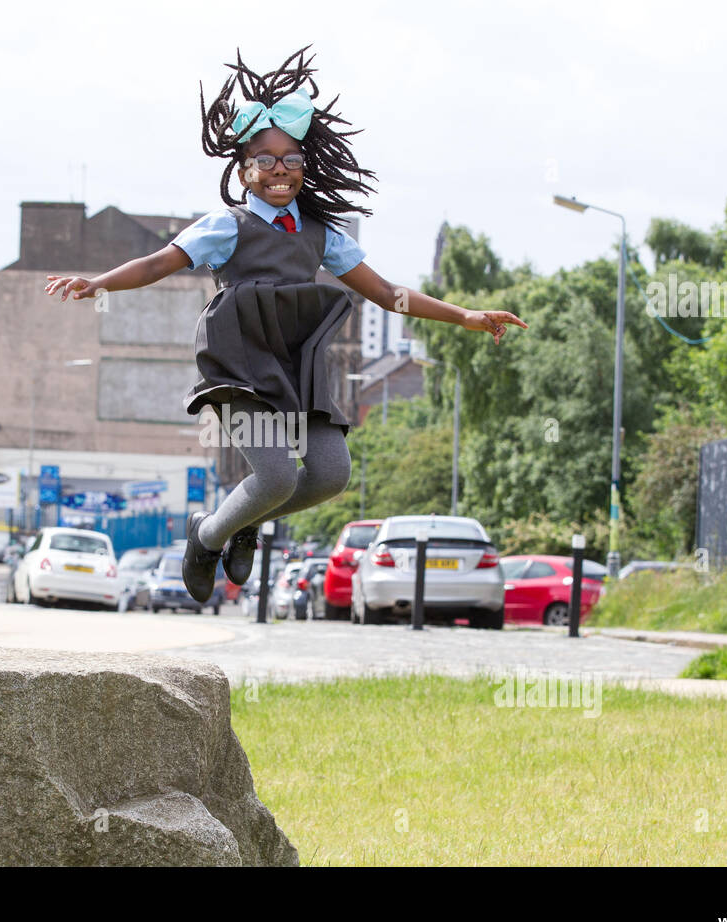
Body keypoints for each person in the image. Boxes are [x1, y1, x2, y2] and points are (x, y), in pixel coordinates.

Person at [44, 47, 526, 604]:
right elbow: (157, 263)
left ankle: (244, 521)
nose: (279, 169)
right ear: (244, 170)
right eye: (265, 159)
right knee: (273, 477)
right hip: (240, 362)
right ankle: (207, 536)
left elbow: (386, 292)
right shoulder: (227, 226)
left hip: (297, 363)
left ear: (304, 166)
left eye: (291, 158)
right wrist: (97, 282)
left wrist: (463, 315)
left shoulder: (322, 234)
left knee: (328, 475)